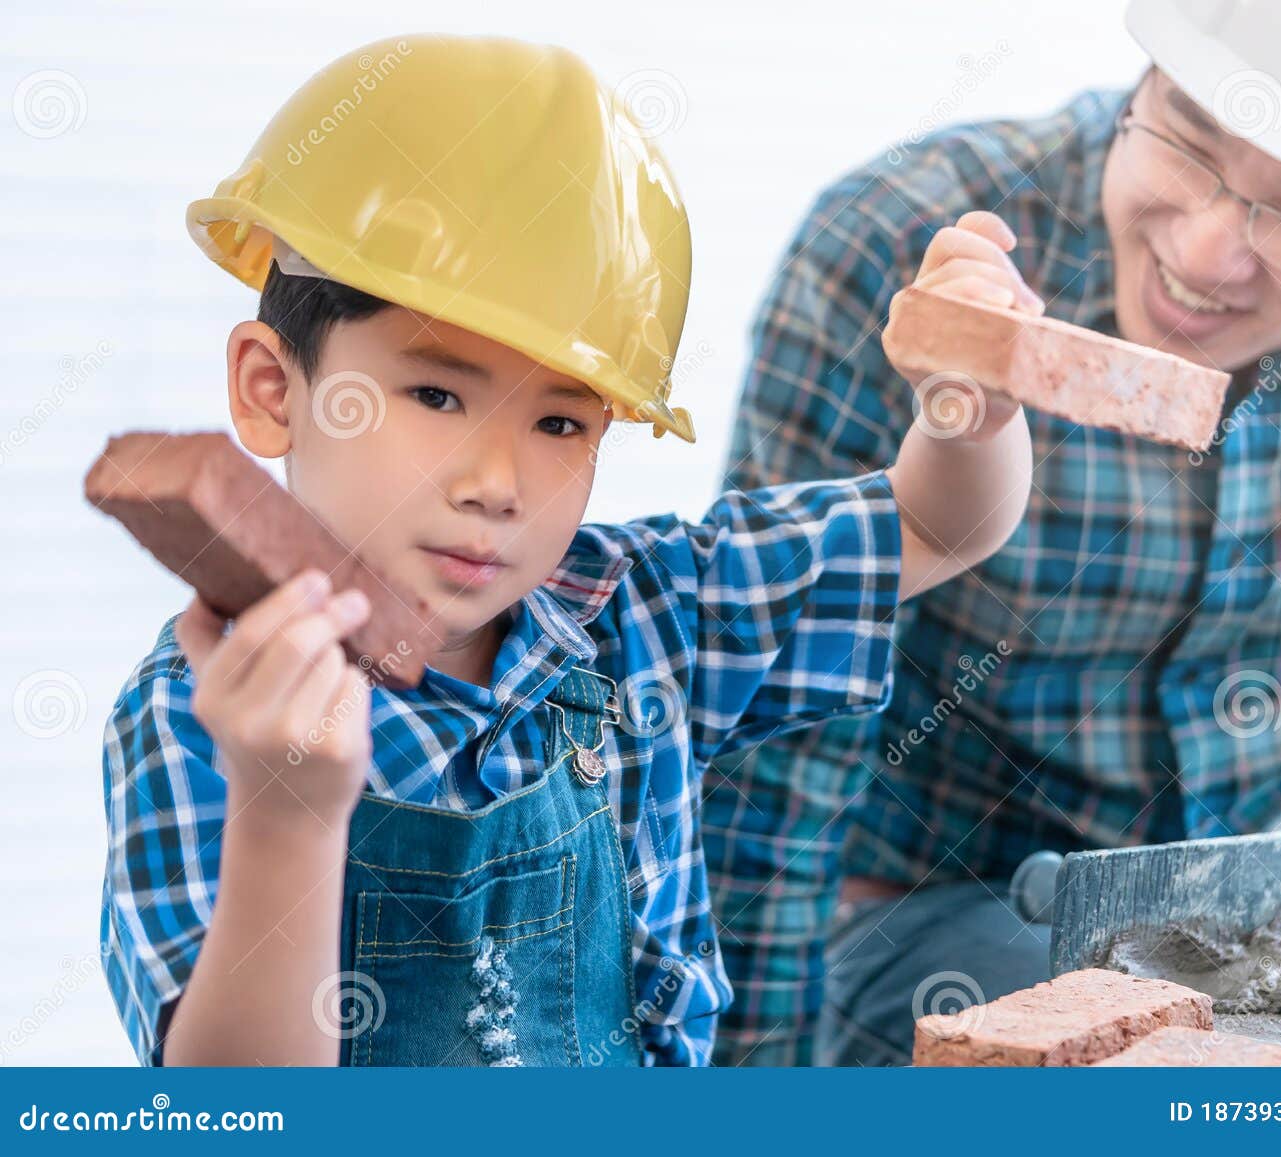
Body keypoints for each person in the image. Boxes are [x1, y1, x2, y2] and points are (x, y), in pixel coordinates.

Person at [97, 34, 1034, 1067]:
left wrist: (967, 408)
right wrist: (288, 817)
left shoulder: (645, 616)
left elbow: (934, 525)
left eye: (559, 424)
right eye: (436, 394)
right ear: (273, 390)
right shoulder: (202, 710)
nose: (497, 482)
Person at [704, 0, 1281, 1066]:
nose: (1206, 250)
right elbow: (770, 763)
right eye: (1187, 137)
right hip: (929, 913)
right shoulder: (896, 244)